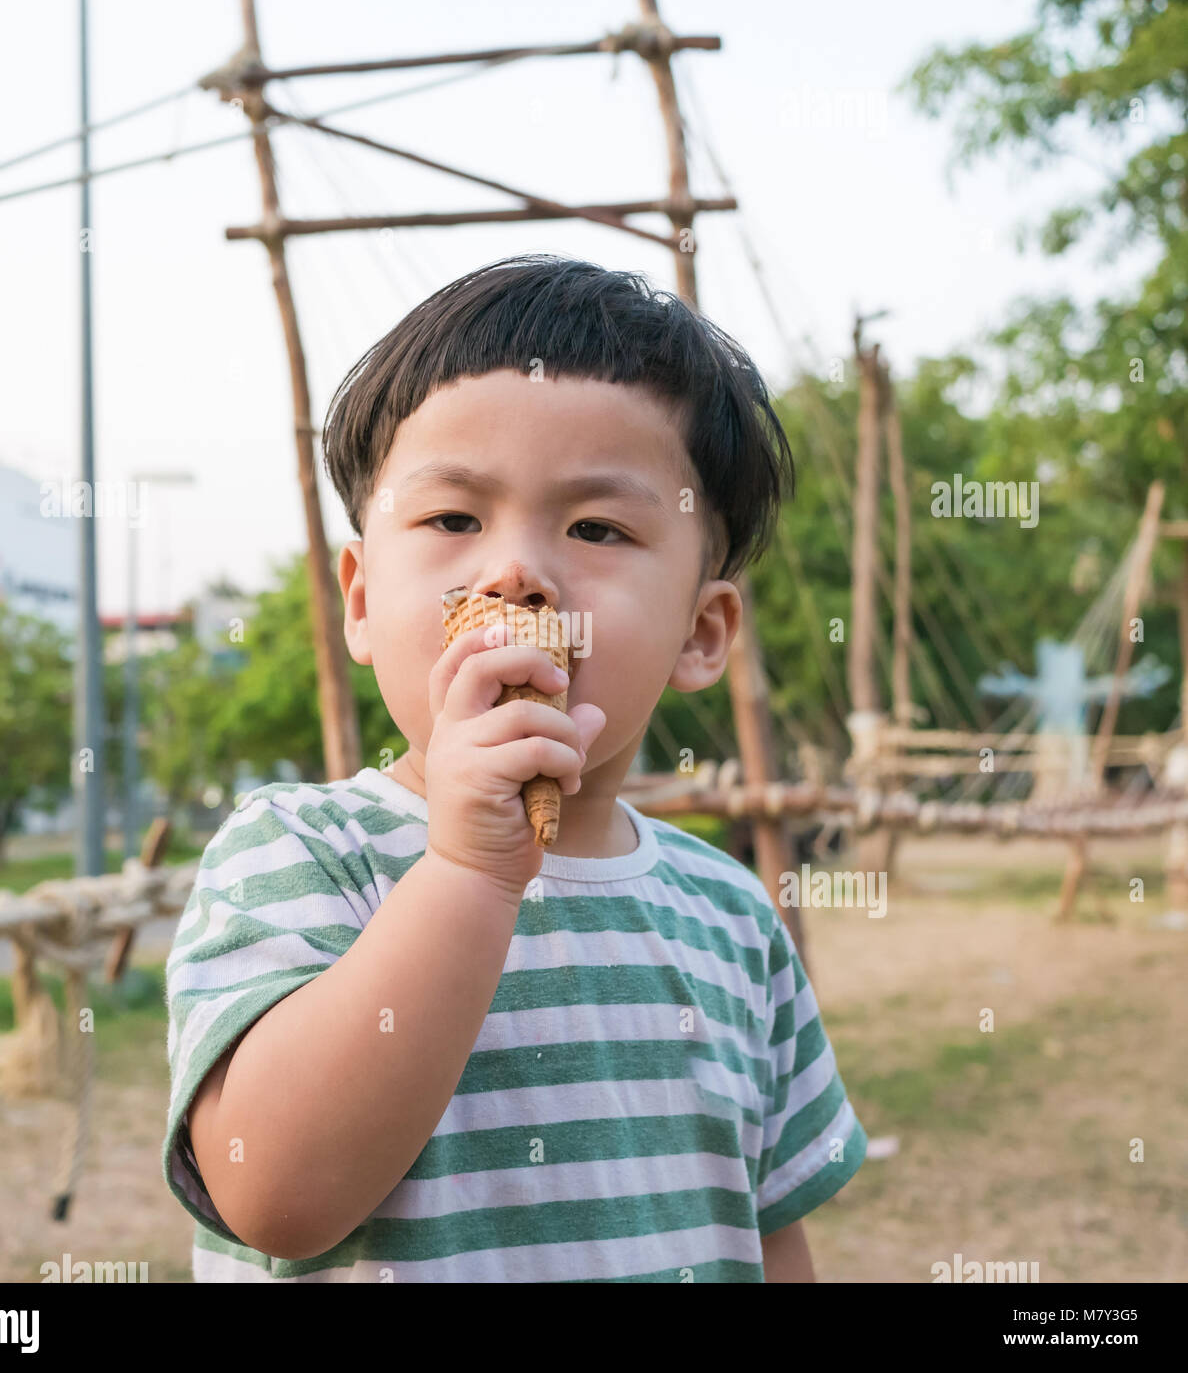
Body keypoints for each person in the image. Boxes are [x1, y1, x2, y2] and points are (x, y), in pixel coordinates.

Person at [163, 253, 867, 1281]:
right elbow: (274, 1195)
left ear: (700, 633)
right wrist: (466, 875)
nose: (515, 574)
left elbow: (765, 1231)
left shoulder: (731, 916)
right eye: (453, 519)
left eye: (596, 527)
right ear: (360, 599)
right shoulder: (303, 858)